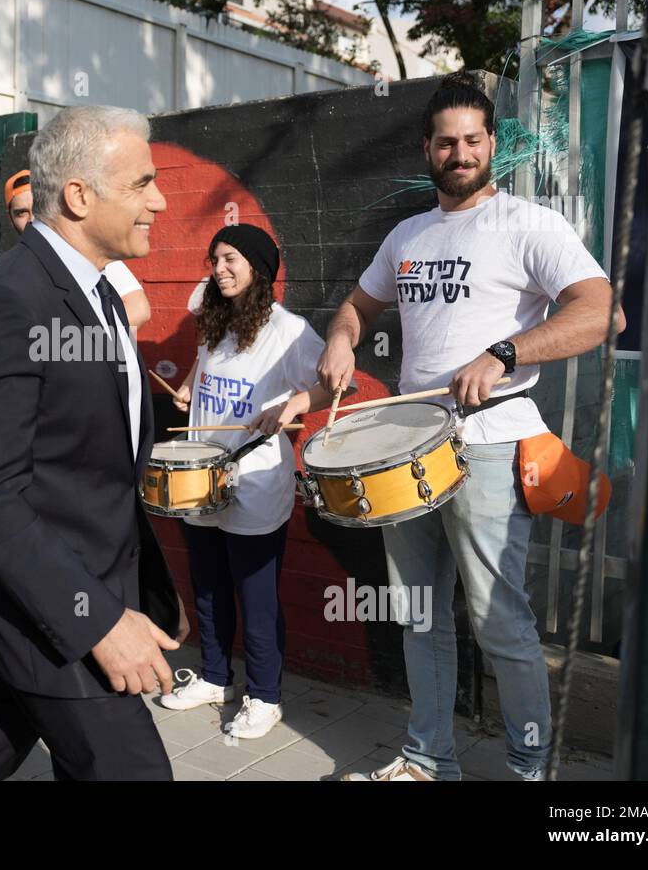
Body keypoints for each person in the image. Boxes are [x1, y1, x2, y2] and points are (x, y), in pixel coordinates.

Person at [322, 71, 623, 782]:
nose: (460, 152)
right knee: (421, 614)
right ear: (426, 149)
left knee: (498, 621)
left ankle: (528, 768)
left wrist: (507, 351)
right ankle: (429, 758)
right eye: (446, 142)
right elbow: (357, 310)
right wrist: (341, 337)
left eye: (473, 140)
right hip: (408, 448)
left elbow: (602, 311)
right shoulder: (407, 233)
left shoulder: (528, 224)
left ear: (491, 144)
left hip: (490, 445)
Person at [0, 105, 186, 781]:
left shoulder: (103, 297)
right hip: (55, 610)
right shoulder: (4, 303)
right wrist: (98, 623)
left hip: (79, 592)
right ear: (81, 197)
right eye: (143, 183)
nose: (161, 199)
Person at [162, 223, 333, 739]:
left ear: (259, 267)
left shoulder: (290, 330)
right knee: (209, 589)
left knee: (256, 599)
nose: (220, 269)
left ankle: (265, 696)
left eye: (231, 259)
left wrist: (292, 405)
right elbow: (207, 362)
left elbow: (329, 383)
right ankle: (216, 678)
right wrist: (191, 384)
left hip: (256, 481)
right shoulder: (214, 319)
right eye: (215, 259)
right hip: (201, 476)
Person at [4, 167, 152, 331]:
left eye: (38, 207)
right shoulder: (11, 269)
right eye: (21, 213)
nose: (32, 219)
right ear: (10, 219)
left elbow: (139, 308)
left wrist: (78, 346)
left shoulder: (84, 250)